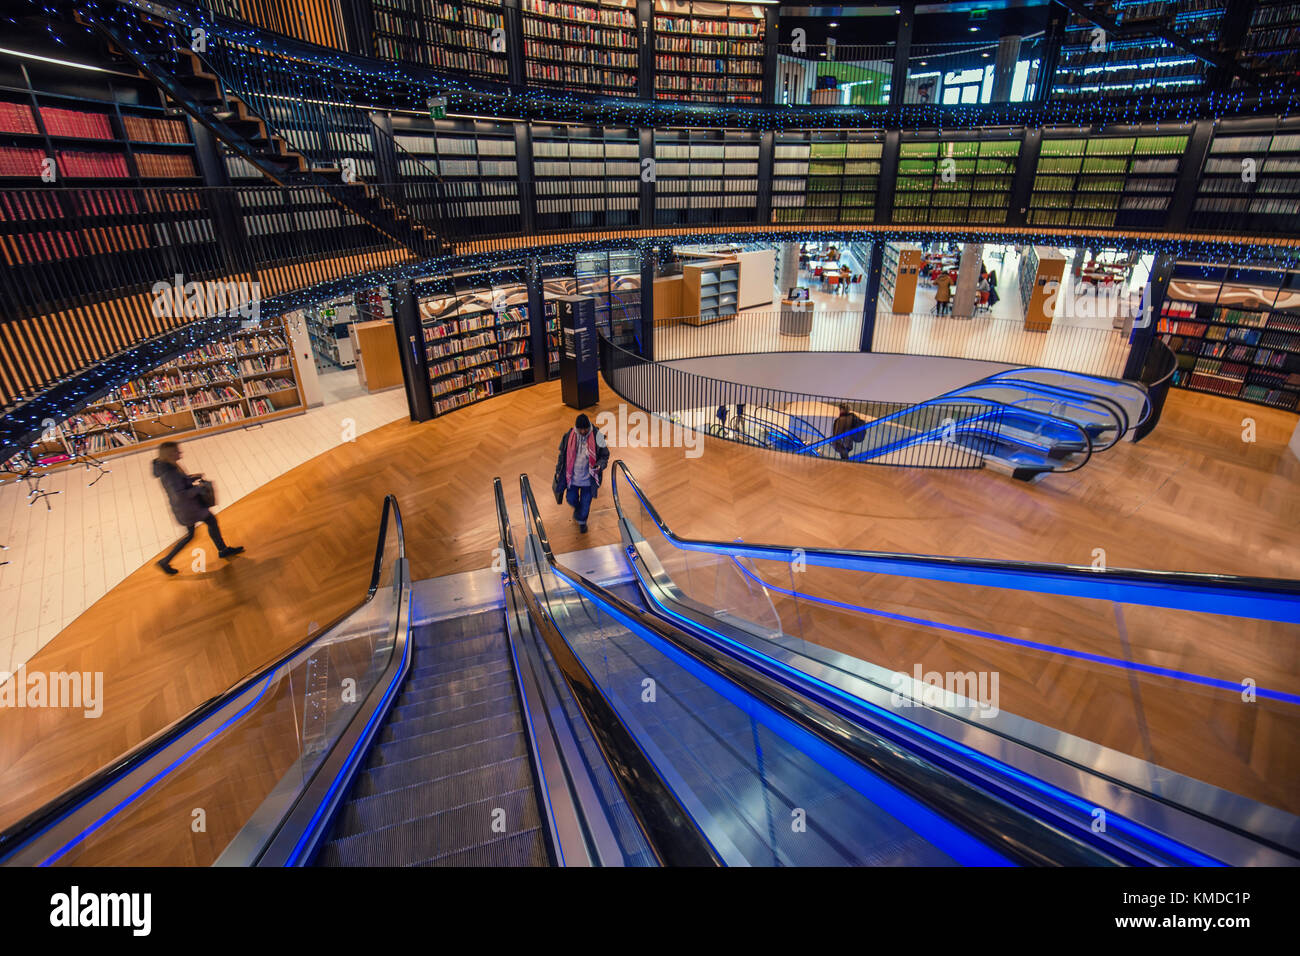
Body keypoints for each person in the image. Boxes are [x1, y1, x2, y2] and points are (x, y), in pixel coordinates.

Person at [153, 440, 243, 575]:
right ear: (170, 454)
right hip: (189, 508)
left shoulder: (169, 468)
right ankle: (222, 550)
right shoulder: (170, 473)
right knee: (207, 523)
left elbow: (180, 485)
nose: (180, 453)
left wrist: (191, 479)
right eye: (177, 451)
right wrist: (198, 489)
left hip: (186, 508)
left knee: (194, 532)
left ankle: (166, 561)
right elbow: (180, 494)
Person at [553, 413, 609, 534]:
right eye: (580, 429)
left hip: (589, 481)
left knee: (585, 504)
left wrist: (600, 465)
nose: (583, 431)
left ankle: (582, 522)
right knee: (570, 499)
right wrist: (558, 471)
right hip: (572, 478)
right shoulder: (569, 436)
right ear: (576, 427)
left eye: (585, 429)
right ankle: (579, 511)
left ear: (589, 426)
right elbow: (562, 456)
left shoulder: (597, 436)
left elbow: (605, 456)